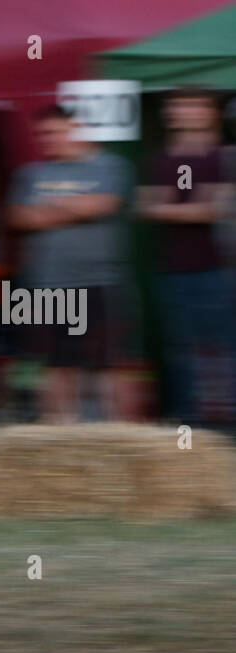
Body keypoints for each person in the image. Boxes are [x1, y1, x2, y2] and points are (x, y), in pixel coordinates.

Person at [7, 104, 133, 423]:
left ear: (76, 128)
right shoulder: (32, 173)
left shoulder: (108, 166)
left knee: (107, 364)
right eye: (41, 134)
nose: (46, 140)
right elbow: (20, 217)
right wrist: (74, 209)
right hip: (50, 283)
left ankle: (115, 435)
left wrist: (49, 210)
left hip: (101, 280)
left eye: (54, 132)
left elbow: (103, 205)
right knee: (58, 364)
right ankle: (61, 436)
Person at [138, 88, 236, 426]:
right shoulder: (161, 159)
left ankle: (225, 431)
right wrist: (188, 207)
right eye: (176, 105)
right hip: (174, 271)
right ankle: (188, 429)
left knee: (222, 350)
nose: (180, 112)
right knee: (180, 352)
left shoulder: (224, 157)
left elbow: (213, 209)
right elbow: (146, 207)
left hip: (219, 269)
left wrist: (170, 207)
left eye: (190, 105)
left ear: (209, 113)